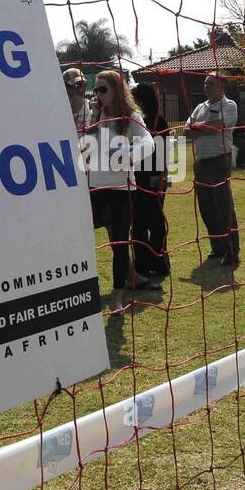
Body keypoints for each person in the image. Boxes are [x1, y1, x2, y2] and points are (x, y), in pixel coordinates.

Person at [85, 70, 155, 314]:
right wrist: (93, 115)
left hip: (122, 189)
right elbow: (84, 147)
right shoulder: (93, 114)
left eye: (103, 89)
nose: (98, 95)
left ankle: (117, 296)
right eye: (95, 90)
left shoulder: (131, 116)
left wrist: (128, 157)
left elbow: (149, 142)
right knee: (85, 238)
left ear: (116, 90)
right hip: (95, 187)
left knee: (119, 242)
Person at [185, 72, 241, 267]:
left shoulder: (229, 105)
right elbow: (185, 130)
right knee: (207, 209)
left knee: (224, 208)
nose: (206, 87)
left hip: (219, 162)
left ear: (221, 87)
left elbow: (218, 126)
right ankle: (217, 248)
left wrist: (197, 128)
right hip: (201, 163)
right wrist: (203, 127)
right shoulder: (200, 107)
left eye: (210, 83)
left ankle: (232, 251)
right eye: (205, 84)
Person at [129, 82, 171, 280]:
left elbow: (164, 152)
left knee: (156, 225)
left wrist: (163, 176)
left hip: (153, 179)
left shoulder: (157, 121)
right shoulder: (133, 122)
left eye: (135, 99)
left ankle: (158, 262)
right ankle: (142, 265)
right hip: (136, 178)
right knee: (138, 224)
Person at [63, 67, 92, 133]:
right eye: (77, 85)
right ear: (65, 87)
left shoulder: (90, 106)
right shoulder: (57, 108)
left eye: (83, 84)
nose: (81, 89)